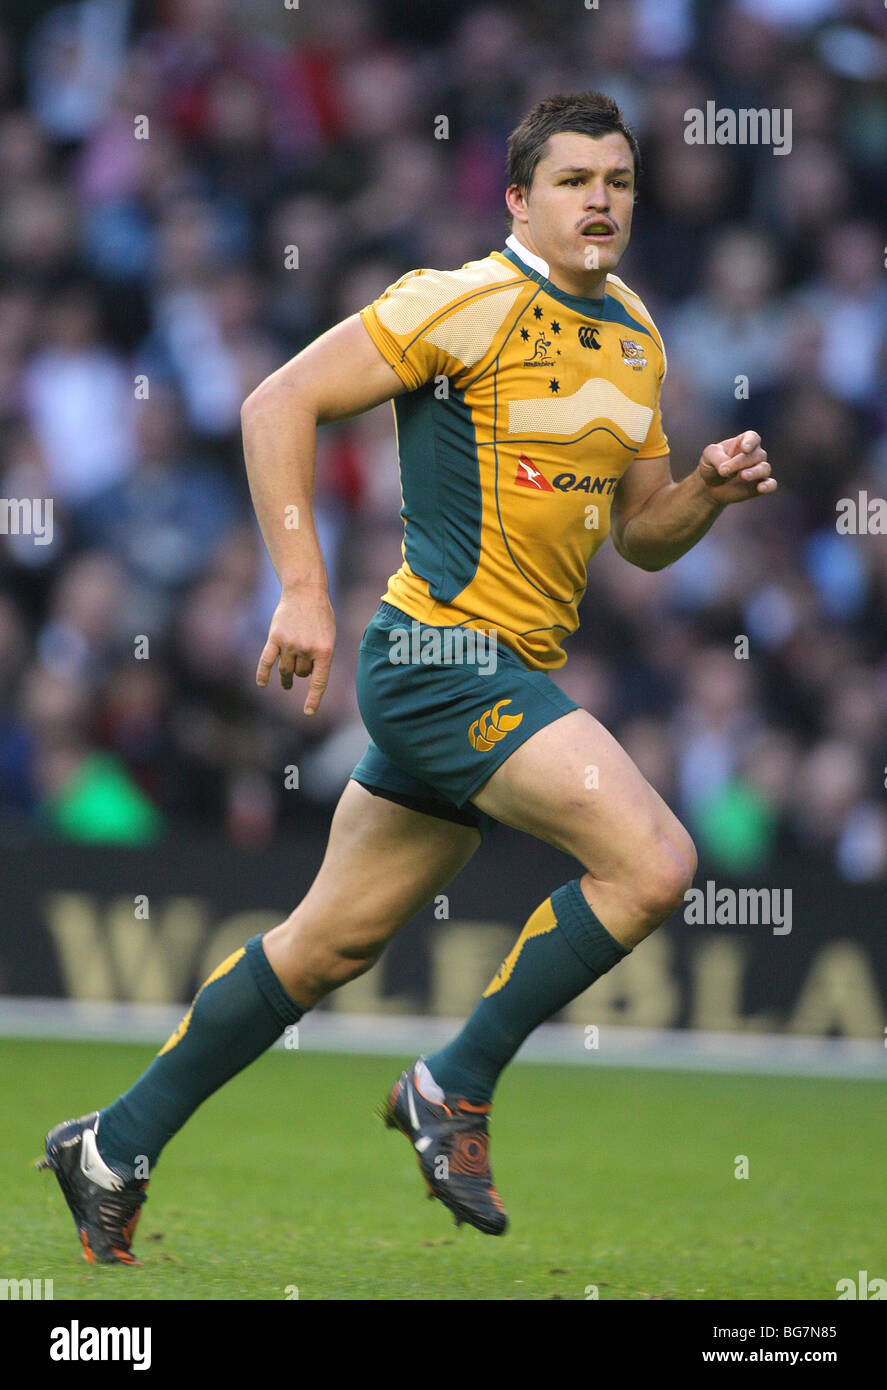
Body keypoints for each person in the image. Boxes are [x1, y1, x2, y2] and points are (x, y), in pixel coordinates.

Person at [39, 91, 777, 1260]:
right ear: (516, 198)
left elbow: (638, 534)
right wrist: (301, 587)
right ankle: (453, 1085)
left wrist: (702, 494)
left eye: (620, 180)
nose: (601, 198)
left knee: (324, 944)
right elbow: (275, 400)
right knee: (654, 862)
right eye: (574, 178)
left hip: (500, 673)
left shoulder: (634, 329)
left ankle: (111, 1144)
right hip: (437, 661)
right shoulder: (460, 301)